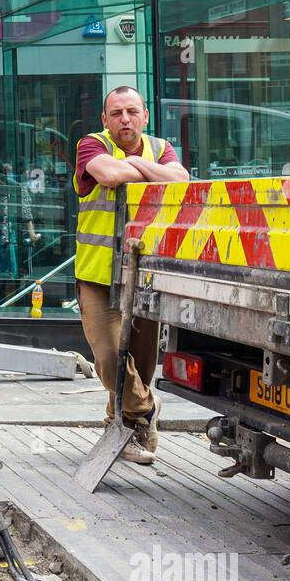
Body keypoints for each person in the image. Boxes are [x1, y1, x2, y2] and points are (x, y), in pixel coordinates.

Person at [73, 85, 189, 465]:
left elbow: (181, 180)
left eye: (131, 111)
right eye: (117, 113)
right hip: (98, 274)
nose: (125, 119)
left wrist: (135, 166)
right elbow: (107, 174)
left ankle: (119, 428)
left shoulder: (160, 147)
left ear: (145, 116)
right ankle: (146, 412)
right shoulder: (90, 145)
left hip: (145, 277)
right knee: (109, 358)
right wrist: (148, 172)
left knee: (141, 363)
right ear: (104, 120)